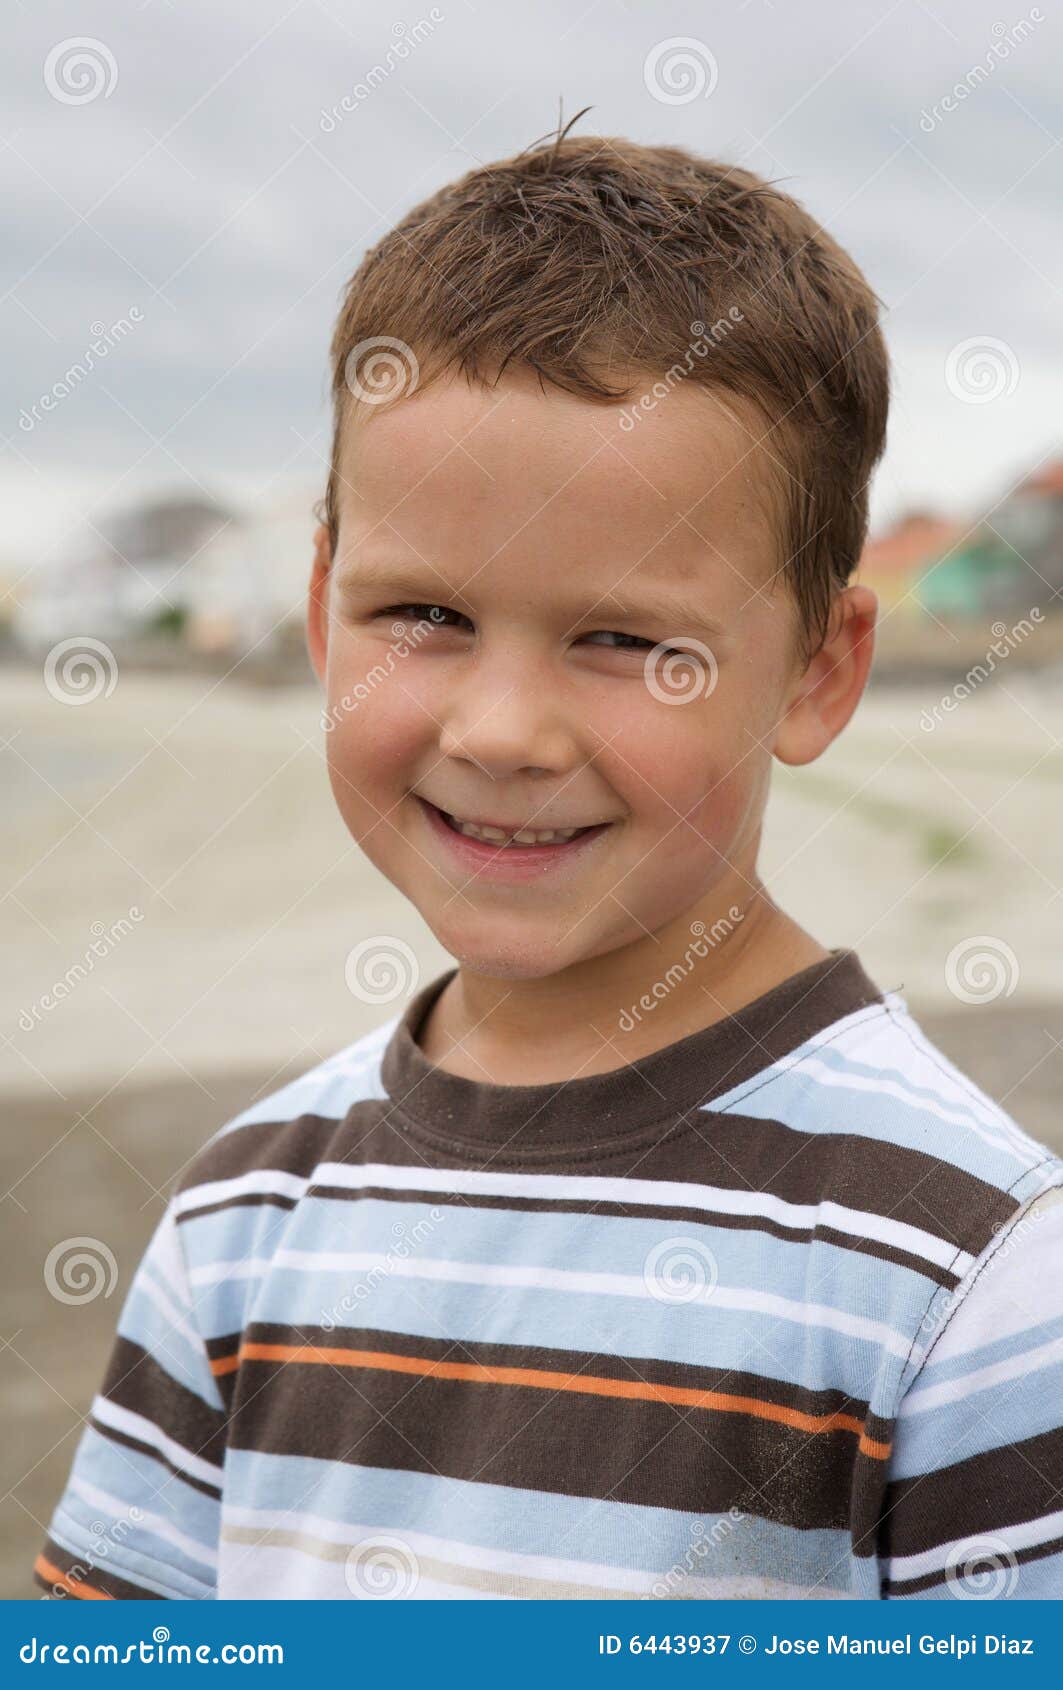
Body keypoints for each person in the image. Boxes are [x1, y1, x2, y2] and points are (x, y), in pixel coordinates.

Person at [36, 121, 1063, 1601]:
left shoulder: (967, 1275)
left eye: (625, 641)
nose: (503, 728)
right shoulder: (239, 1224)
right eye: (425, 615)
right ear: (325, 611)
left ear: (818, 674)